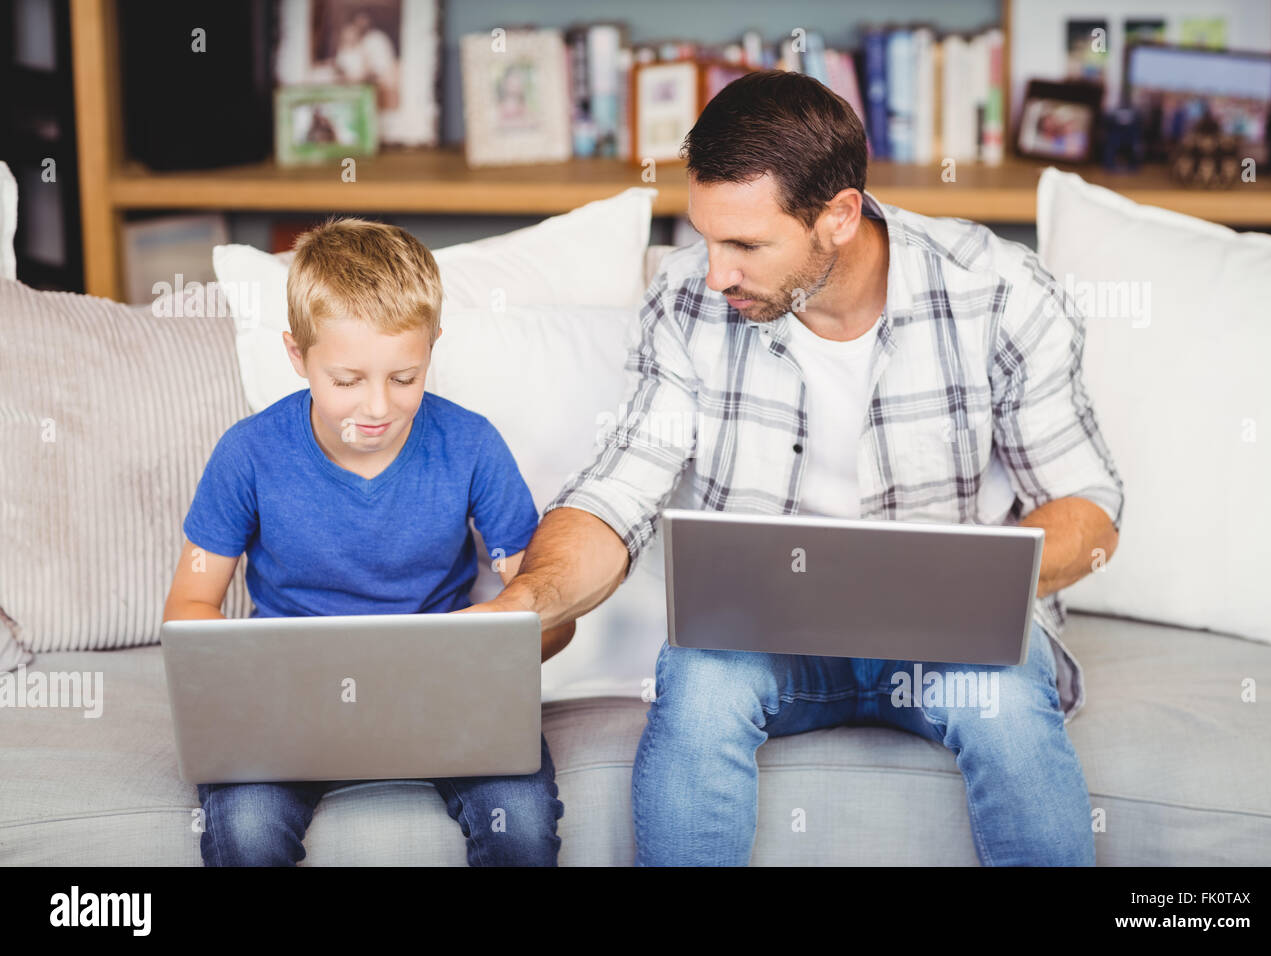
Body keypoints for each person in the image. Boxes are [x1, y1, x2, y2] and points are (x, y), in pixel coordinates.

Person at [464, 70, 1125, 866]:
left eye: (746, 244)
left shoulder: (998, 290)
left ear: (839, 216)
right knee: (699, 680)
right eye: (707, 237)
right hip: (762, 638)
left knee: (1008, 703)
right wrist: (529, 603)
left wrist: (953, 587)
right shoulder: (684, 300)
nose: (716, 273)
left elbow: (1086, 505)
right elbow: (618, 492)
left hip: (949, 638)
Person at [162, 217, 571, 866]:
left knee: (519, 823)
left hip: (447, 698)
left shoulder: (471, 444)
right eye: (347, 380)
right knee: (245, 830)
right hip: (287, 706)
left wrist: (499, 648)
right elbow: (188, 608)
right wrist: (240, 683)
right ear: (296, 356)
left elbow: (545, 595)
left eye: (404, 378)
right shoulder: (247, 454)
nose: (377, 407)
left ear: (434, 345)